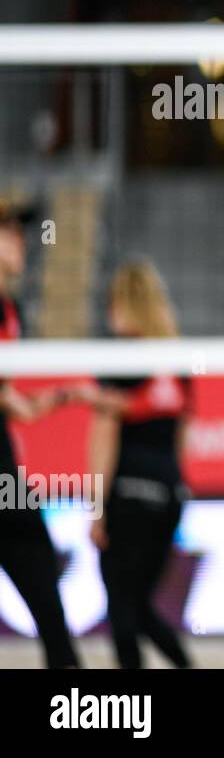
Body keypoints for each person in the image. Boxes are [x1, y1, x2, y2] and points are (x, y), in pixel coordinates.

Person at [64, 260, 194, 669]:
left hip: (127, 492)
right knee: (138, 605)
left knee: (123, 607)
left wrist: (96, 507)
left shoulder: (121, 357)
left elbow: (104, 436)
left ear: (120, 303)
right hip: (169, 493)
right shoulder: (176, 363)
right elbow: (181, 438)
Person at [0, 197, 82, 668]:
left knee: (47, 598)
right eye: (10, 231)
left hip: (6, 476)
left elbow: (12, 400)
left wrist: (59, 398)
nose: (23, 241)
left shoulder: (11, 308)